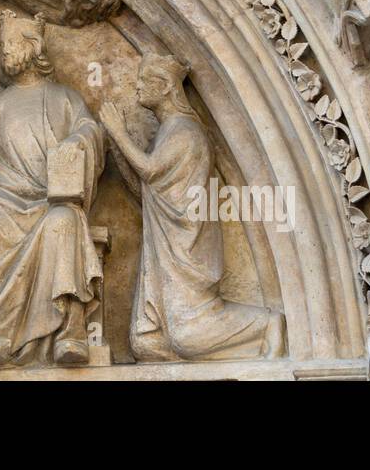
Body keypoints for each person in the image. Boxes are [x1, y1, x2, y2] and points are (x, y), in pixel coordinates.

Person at [0, 11, 105, 367]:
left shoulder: (64, 97)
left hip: (49, 204)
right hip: (3, 202)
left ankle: (70, 332)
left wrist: (78, 140)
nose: (5, 52)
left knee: (64, 222)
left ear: (33, 48)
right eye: (2, 46)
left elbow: (92, 132)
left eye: (11, 45)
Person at [100, 53, 283, 361]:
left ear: (165, 86)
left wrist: (118, 131)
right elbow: (152, 190)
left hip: (186, 250)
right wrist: (116, 145)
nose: (138, 87)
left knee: (187, 338)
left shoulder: (185, 131)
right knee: (147, 345)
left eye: (144, 80)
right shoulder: (168, 132)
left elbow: (151, 169)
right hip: (167, 249)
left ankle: (266, 325)